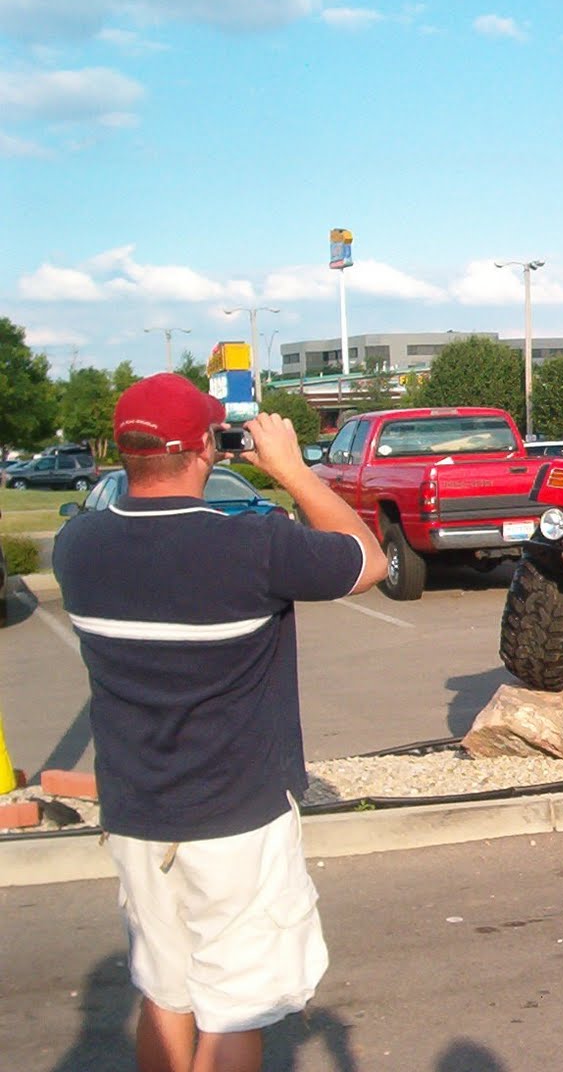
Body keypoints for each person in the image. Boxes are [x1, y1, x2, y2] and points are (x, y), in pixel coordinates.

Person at [53, 373, 386, 1072]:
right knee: (236, 1009)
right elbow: (368, 559)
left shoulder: (78, 547)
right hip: (236, 820)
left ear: (122, 451)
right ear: (207, 447)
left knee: (167, 997)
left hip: (137, 815)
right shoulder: (253, 545)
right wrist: (292, 470)